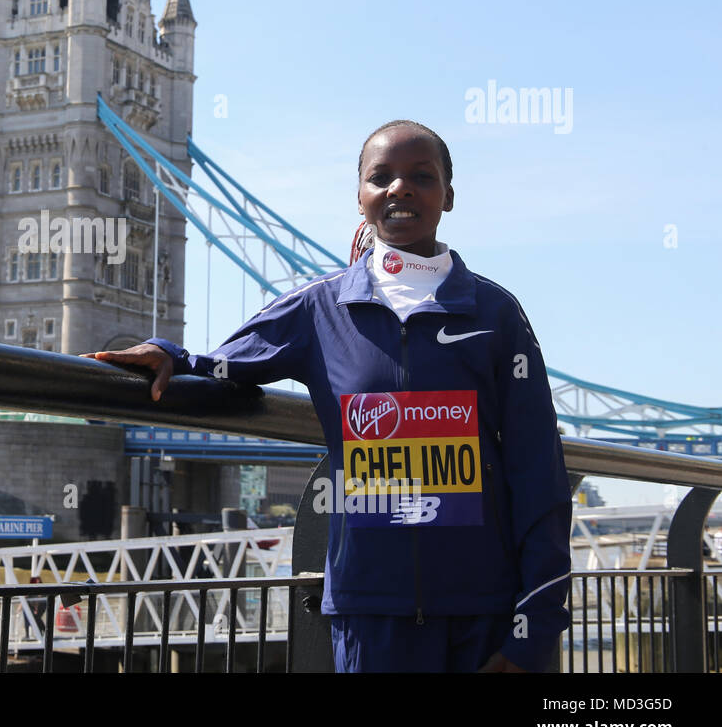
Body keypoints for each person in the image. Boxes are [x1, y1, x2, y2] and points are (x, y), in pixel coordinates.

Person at [83, 120, 572, 673]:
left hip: (481, 612)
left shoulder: (496, 314)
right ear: (360, 197)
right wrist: (170, 358)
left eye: (421, 177)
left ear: (449, 195)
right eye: (380, 177)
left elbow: (539, 475)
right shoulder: (319, 308)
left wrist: (535, 628)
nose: (399, 189)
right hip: (368, 611)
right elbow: (226, 364)